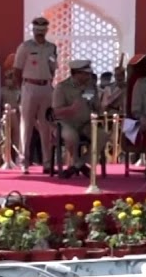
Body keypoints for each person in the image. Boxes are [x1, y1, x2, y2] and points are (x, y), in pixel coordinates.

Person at [15, 17, 58, 171]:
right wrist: (20, 89)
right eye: (37, 31)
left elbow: (53, 67)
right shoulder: (25, 47)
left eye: (42, 31)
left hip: (45, 87)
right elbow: (17, 70)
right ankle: (24, 162)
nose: (39, 34)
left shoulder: (51, 48)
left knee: (45, 125)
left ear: (46, 31)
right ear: (33, 31)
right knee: (26, 125)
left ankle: (47, 162)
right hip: (29, 86)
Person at [50, 60, 103, 179]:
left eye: (89, 74)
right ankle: (79, 164)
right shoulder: (62, 87)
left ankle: (78, 164)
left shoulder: (91, 87)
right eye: (85, 74)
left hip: (86, 123)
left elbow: (96, 106)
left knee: (102, 135)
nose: (88, 76)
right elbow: (55, 112)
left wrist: (99, 107)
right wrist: (71, 109)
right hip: (66, 123)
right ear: (76, 73)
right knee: (71, 137)